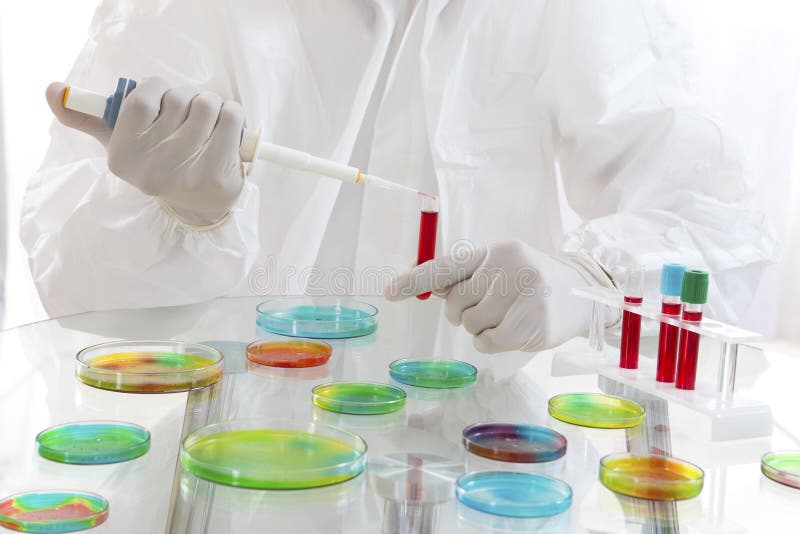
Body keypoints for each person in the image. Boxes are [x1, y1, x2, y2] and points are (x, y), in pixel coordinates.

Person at [21, 0, 776, 354]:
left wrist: (589, 280)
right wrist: (180, 212)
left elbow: (724, 228)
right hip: (245, 465)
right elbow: (73, 288)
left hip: (487, 463)